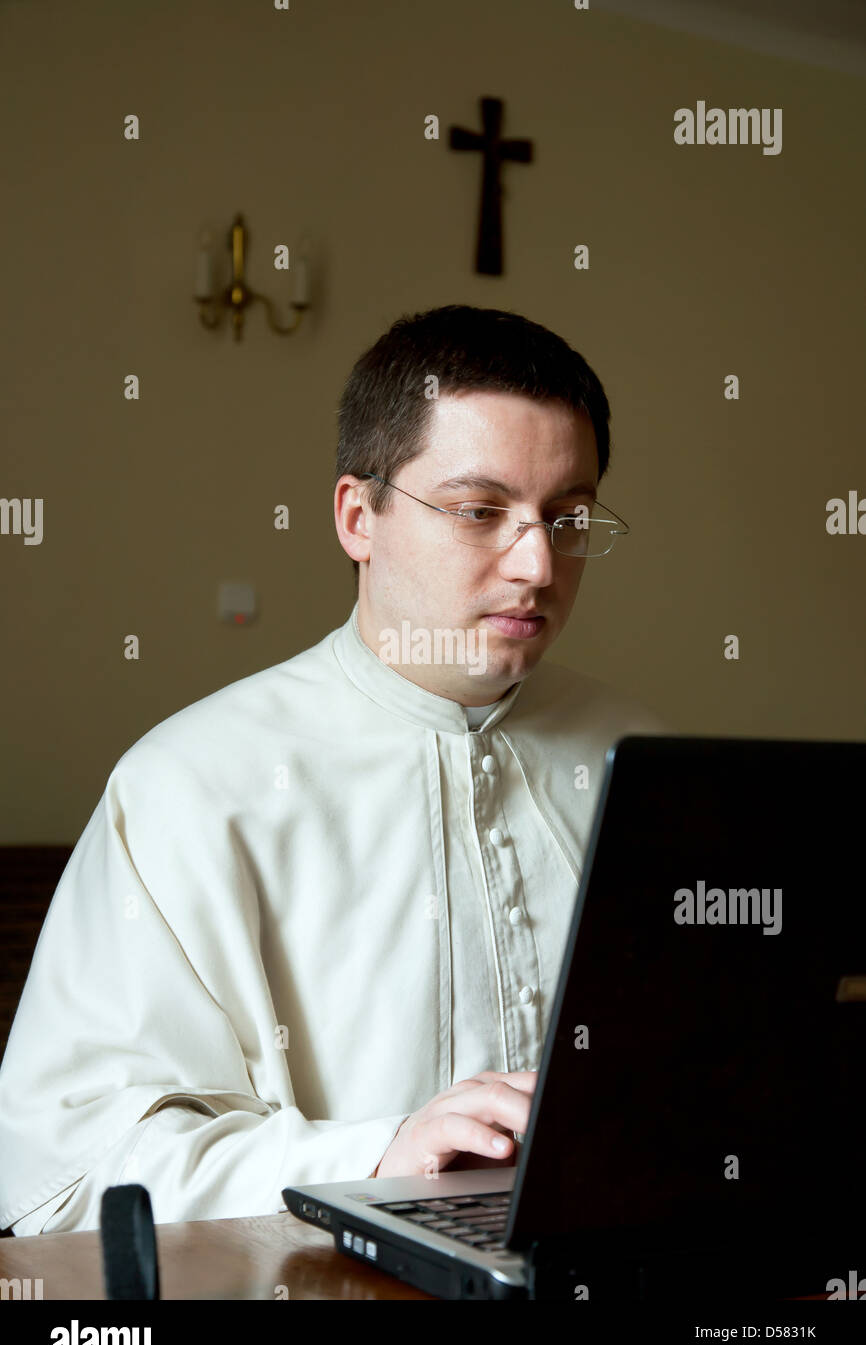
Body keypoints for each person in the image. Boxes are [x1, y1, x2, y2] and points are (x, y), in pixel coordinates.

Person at [0, 304, 668, 1235]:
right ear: (360, 516)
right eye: (480, 511)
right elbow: (61, 1185)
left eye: (568, 516)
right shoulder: (188, 787)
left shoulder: (642, 758)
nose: (538, 563)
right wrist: (374, 1155)